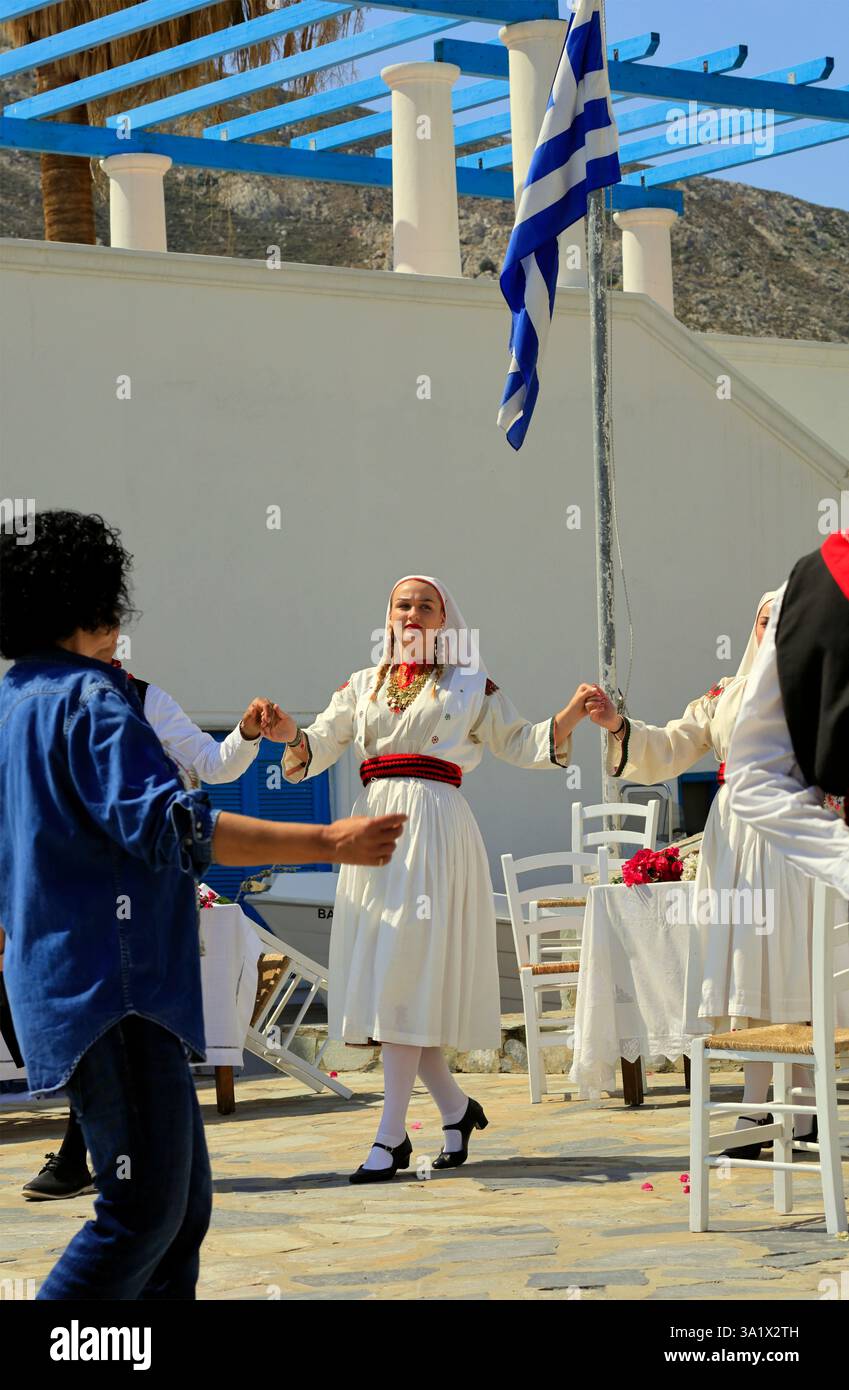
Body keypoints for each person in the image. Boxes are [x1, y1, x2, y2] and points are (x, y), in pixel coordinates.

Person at [0, 509, 405, 1299]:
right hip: (114, 989)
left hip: (73, 981)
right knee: (143, 1211)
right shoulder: (90, 700)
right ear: (91, 604)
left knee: (178, 1210)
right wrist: (325, 841)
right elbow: (173, 826)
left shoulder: (18, 699)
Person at [276, 574, 594, 1182]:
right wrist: (288, 733)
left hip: (435, 829)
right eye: (404, 604)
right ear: (388, 615)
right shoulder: (361, 684)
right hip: (374, 825)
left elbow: (522, 742)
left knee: (405, 969)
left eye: (427, 605)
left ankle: (391, 1136)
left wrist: (570, 715)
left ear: (446, 619)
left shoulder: (472, 684)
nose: (414, 613)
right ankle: (455, 1108)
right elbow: (318, 743)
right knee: (398, 978)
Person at [15, 671, 288, 1202]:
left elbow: (212, 765)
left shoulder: (144, 699)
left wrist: (248, 733)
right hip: (81, 884)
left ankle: (90, 1157)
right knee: (104, 1016)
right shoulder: (39, 700)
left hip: (146, 881)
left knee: (134, 1017)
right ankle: (120, 1157)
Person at [585, 592, 817, 1153]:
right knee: (745, 958)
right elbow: (670, 746)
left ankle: (793, 1108)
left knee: (792, 959)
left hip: (794, 832)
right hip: (736, 837)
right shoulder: (725, 695)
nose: (774, 628)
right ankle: (771, 1106)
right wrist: (619, 725)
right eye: (764, 619)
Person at [726, 531, 849, 894]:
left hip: (800, 842)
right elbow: (752, 771)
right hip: (777, 833)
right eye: (760, 623)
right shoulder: (720, 696)